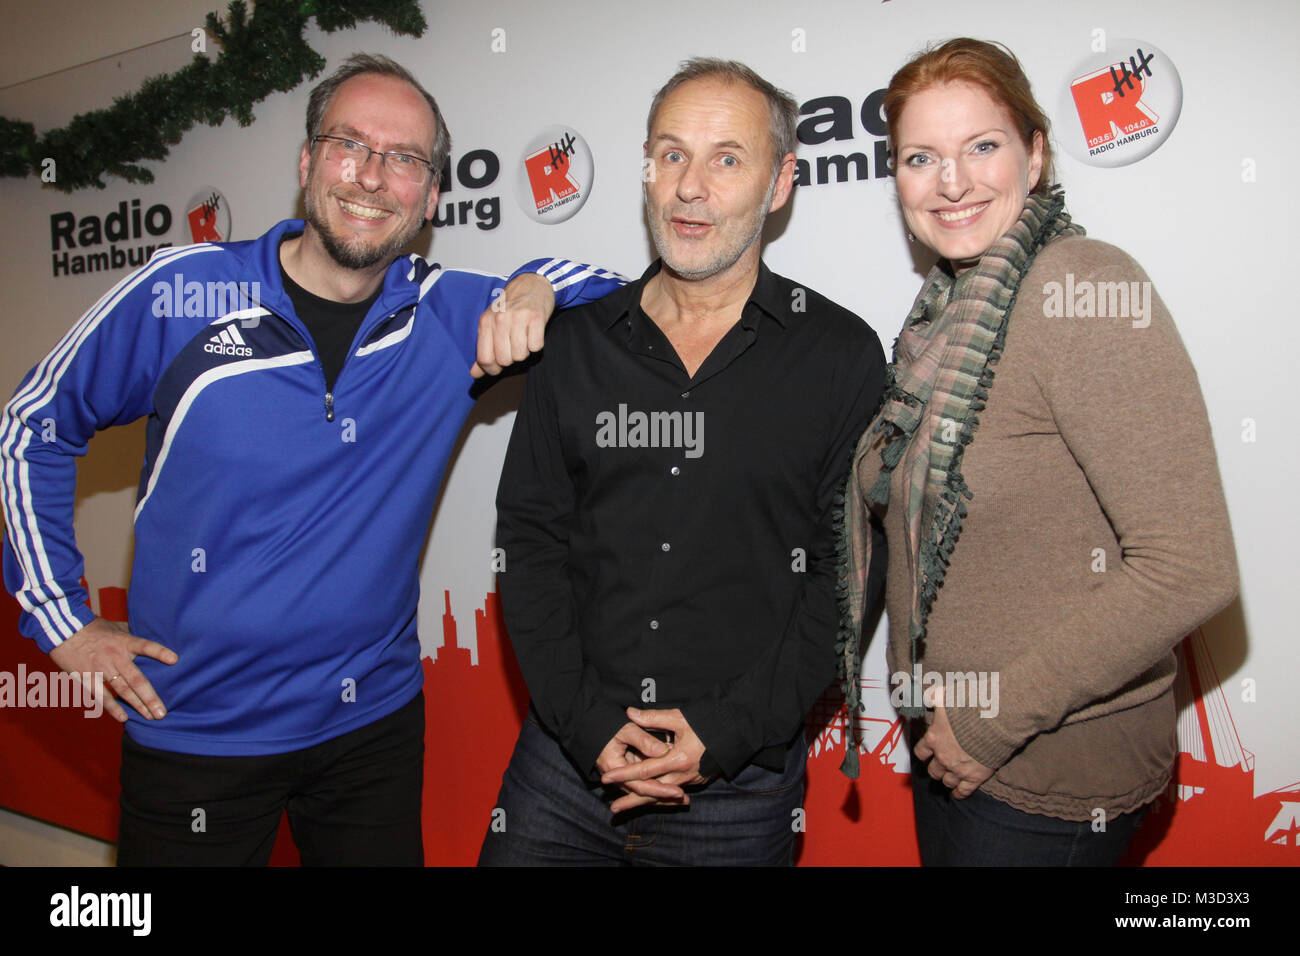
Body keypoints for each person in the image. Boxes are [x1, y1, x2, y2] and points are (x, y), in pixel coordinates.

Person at [0, 53, 622, 866]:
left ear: (432, 196)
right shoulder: (184, 292)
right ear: (306, 163)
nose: (370, 176)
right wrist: (65, 624)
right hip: (193, 737)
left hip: (371, 732)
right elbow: (29, 428)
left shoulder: (443, 313)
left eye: (405, 159)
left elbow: (625, 296)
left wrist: (537, 282)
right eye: (348, 145)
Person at [838, 38, 1238, 866]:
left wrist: (988, 722)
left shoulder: (1080, 287)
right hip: (954, 752)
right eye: (921, 157)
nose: (952, 182)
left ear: (1037, 153)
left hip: (1043, 774)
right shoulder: (941, 322)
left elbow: (1189, 565)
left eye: (982, 146)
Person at [479, 58, 887, 866]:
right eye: (671, 155)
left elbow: (850, 578)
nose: (689, 187)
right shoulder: (577, 342)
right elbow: (528, 544)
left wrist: (727, 733)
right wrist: (588, 723)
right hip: (562, 773)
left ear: (780, 183)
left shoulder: (840, 355)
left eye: (726, 159)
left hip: (737, 795)